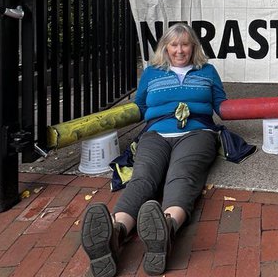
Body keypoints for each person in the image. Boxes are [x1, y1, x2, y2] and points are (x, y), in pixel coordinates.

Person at [80, 24, 226, 277]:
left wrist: (270, 109)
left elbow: (222, 105)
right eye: (174, 44)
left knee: (181, 175)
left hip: (196, 132)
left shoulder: (208, 71)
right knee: (143, 176)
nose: (179, 50)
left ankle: (166, 228)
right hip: (155, 133)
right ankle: (116, 232)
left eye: (185, 44)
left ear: (193, 47)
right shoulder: (152, 73)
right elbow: (138, 106)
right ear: (165, 48)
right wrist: (99, 123)